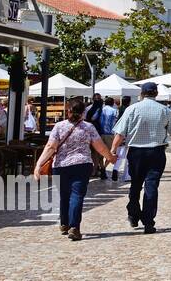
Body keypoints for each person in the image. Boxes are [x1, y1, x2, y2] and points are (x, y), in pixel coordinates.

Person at [33, 100, 116, 241]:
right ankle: (74, 227)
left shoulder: (59, 126)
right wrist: (110, 157)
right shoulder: (88, 127)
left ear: (68, 111)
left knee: (64, 195)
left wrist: (38, 164)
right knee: (77, 195)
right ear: (83, 112)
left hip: (60, 166)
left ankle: (64, 224)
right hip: (82, 165)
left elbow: (50, 147)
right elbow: (99, 146)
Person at [110, 81, 171, 234]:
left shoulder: (132, 109)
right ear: (156, 93)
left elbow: (120, 133)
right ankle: (149, 222)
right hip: (156, 152)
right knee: (151, 186)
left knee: (135, 184)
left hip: (136, 153)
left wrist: (113, 150)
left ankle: (133, 214)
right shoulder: (165, 110)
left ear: (141, 93)